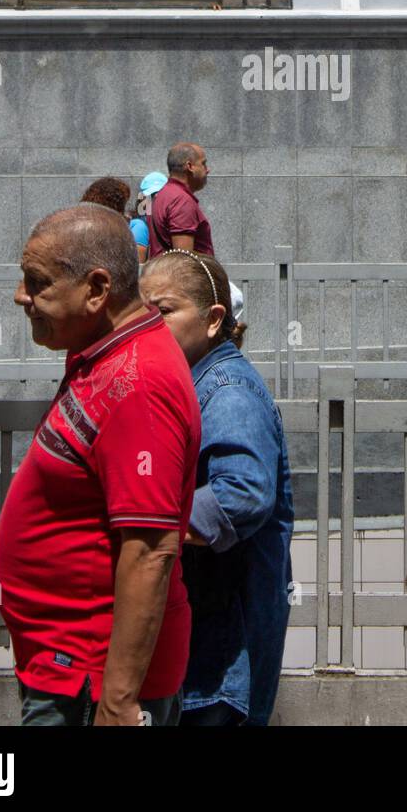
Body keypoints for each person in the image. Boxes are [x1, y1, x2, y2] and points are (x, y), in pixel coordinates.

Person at [0, 203, 201, 727]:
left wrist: (118, 702)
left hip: (90, 682)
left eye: (37, 283)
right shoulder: (104, 349)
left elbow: (151, 549)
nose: (22, 297)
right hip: (69, 669)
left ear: (97, 289)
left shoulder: (139, 383)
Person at [140, 248, 294, 727]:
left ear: (213, 320)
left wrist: (142, 525)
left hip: (222, 660)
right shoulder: (190, 381)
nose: (148, 326)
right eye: (141, 313)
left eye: (163, 312)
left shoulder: (226, 388)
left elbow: (243, 493)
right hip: (201, 654)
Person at [147, 142, 214, 258]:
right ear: (190, 166)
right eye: (203, 164)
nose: (208, 170)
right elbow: (183, 260)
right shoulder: (181, 201)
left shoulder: (165, 194)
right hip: (181, 275)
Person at [129, 172, 169, 262]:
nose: (156, 198)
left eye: (160, 194)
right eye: (151, 195)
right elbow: (138, 266)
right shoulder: (140, 226)